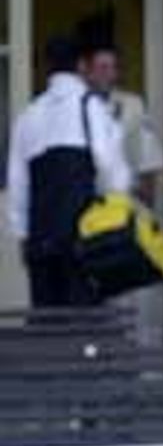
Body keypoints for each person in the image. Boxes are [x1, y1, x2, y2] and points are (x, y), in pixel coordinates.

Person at [5, 35, 132, 308]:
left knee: (47, 320)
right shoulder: (90, 107)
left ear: (45, 68)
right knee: (85, 320)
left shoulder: (29, 116)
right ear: (81, 66)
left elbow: (18, 184)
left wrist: (22, 233)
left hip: (40, 237)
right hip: (85, 234)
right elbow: (112, 170)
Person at [81, 42, 163, 206]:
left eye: (113, 68)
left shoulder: (133, 105)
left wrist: (148, 208)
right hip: (89, 202)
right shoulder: (77, 107)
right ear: (88, 72)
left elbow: (148, 160)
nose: (109, 74)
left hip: (125, 201)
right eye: (103, 68)